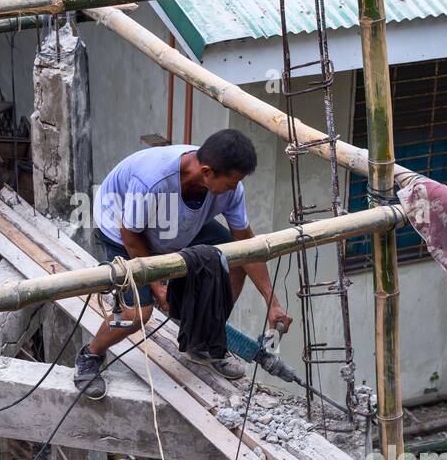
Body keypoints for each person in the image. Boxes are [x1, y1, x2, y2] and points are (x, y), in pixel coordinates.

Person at [75, 129, 292, 400]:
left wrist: (273, 303)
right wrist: (157, 288)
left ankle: (205, 341)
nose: (234, 189)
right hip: (124, 230)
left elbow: (246, 245)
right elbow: (131, 235)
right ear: (207, 171)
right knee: (138, 315)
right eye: (230, 183)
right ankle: (90, 356)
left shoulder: (229, 188)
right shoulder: (152, 181)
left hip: (179, 222)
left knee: (234, 261)